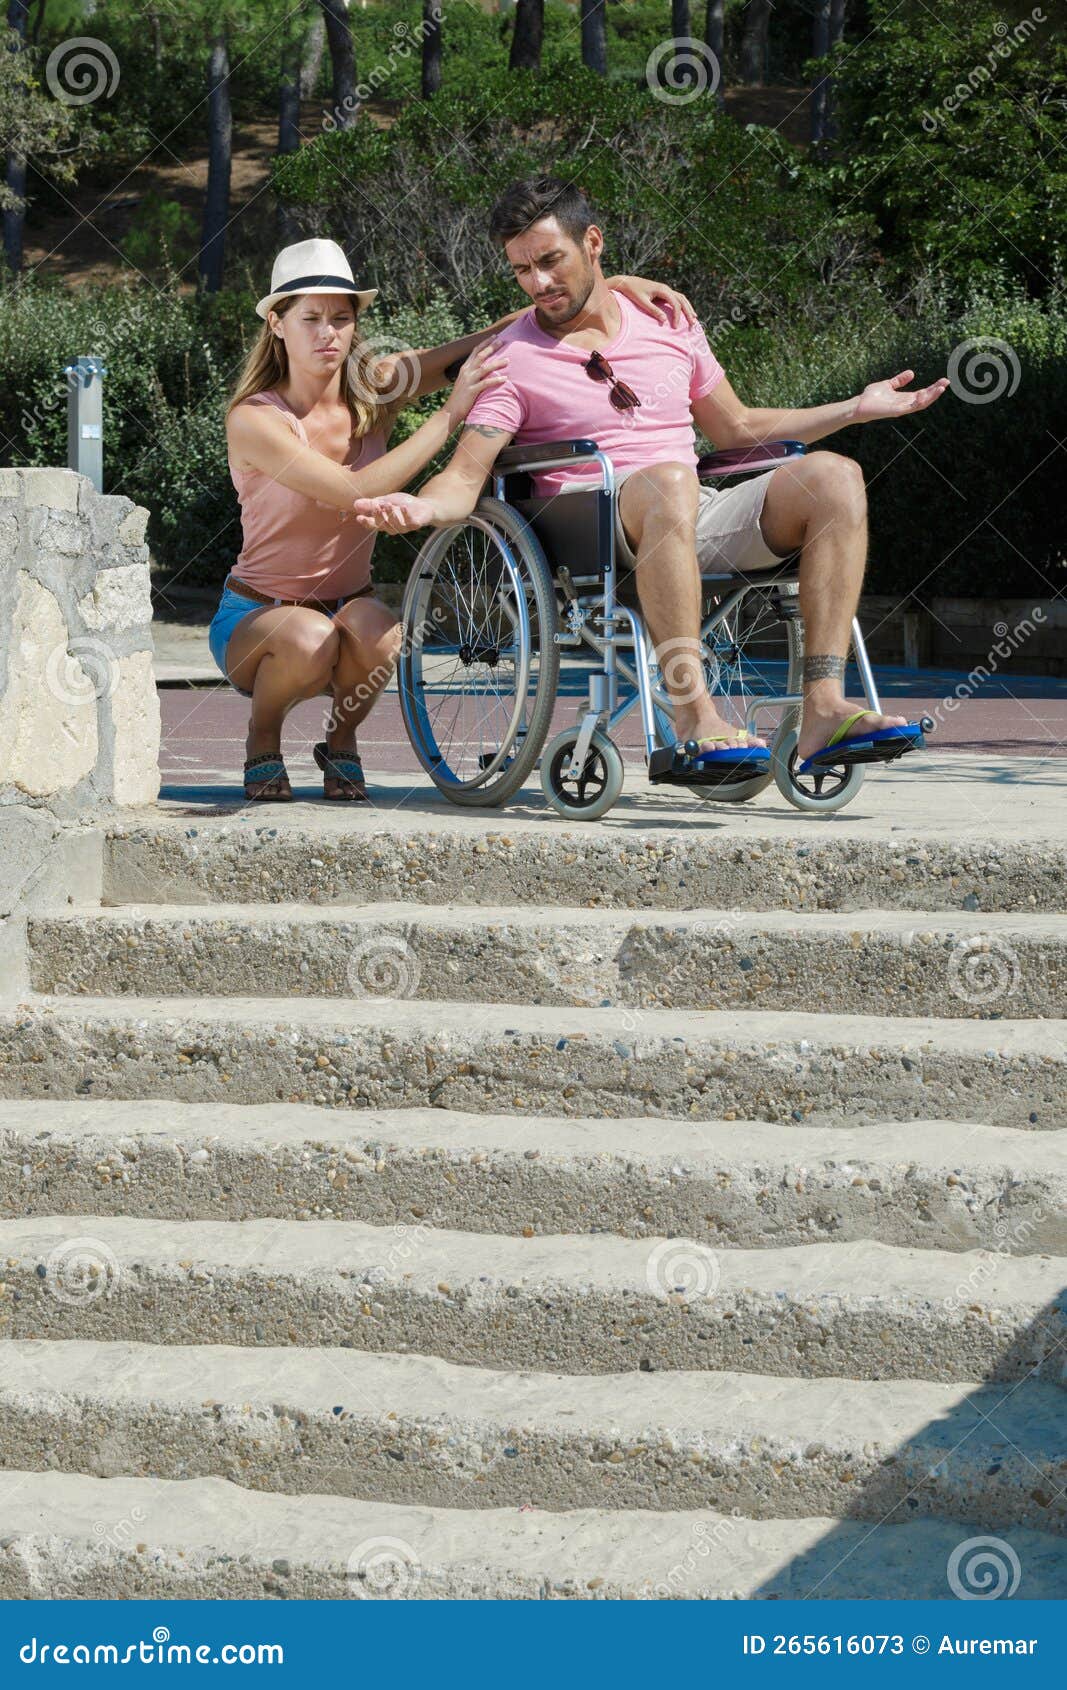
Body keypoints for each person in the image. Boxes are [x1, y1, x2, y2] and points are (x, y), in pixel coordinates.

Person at [350, 178, 951, 782]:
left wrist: (853, 409)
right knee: (668, 482)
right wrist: (421, 509)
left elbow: (738, 426)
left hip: (691, 509)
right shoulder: (510, 356)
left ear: (593, 242)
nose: (538, 283)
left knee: (836, 478)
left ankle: (824, 708)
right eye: (521, 270)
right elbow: (464, 475)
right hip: (590, 530)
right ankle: (693, 717)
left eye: (550, 261)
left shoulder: (667, 320)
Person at [215, 236, 698, 801]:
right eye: (310, 319)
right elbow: (352, 491)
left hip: (348, 607)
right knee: (307, 635)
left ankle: (341, 741)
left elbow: (492, 337)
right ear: (277, 323)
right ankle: (262, 738)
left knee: (380, 629)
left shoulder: (373, 388)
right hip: (258, 617)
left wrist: (611, 287)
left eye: (341, 319)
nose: (328, 334)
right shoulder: (255, 418)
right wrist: (450, 415)